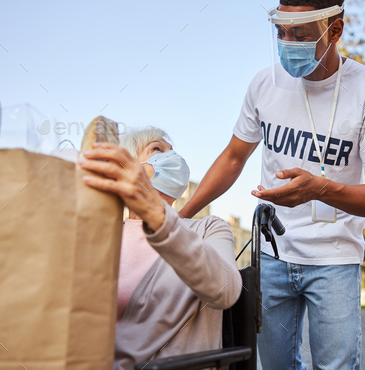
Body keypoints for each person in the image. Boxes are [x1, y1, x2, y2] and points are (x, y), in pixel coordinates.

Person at [179, 0, 365, 369]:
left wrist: (320, 189)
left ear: (334, 30)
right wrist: (179, 219)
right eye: (281, 33)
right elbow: (234, 158)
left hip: (335, 258)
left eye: (299, 35)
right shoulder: (264, 84)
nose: (287, 44)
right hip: (271, 255)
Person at [78, 127, 242, 368]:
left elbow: (226, 290)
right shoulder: (103, 236)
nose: (173, 158)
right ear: (125, 167)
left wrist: (156, 213)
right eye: (157, 149)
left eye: (172, 152)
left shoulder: (208, 228)